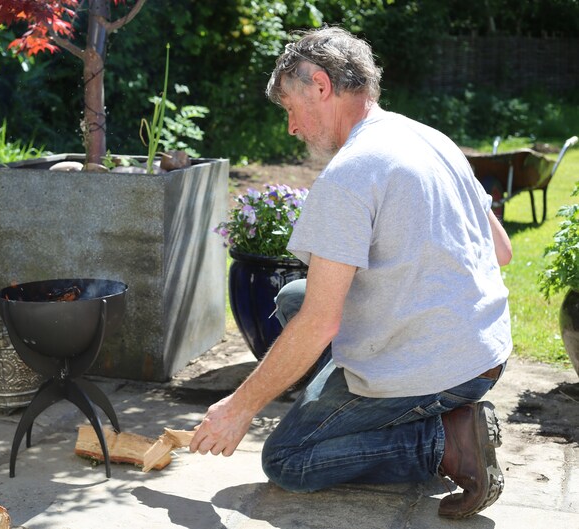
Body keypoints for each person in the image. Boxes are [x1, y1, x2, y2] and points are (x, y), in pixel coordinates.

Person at [189, 26, 513, 519]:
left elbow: (322, 324)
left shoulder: (349, 175)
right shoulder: (428, 137)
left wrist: (238, 407)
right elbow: (502, 250)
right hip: (486, 346)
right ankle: (403, 409)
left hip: (442, 367)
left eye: (290, 108)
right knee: (295, 297)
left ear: (320, 85)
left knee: (288, 460)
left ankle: (444, 441)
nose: (292, 127)